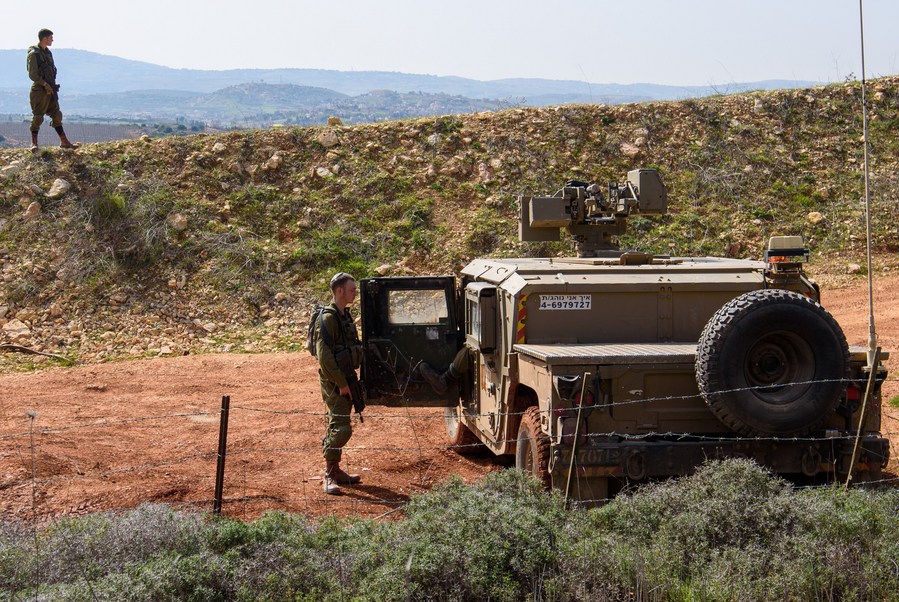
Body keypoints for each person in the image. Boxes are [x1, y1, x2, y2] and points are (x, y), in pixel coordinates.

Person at [316, 272, 363, 495]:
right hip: (334, 381)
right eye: (352, 289)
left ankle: (336, 470)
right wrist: (342, 383)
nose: (355, 292)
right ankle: (328, 474)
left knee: (341, 422)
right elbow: (324, 357)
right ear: (339, 291)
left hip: (346, 376)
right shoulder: (328, 318)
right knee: (341, 428)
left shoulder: (344, 316)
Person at [27, 28, 77, 151]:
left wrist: (51, 86)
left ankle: (64, 141)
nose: (52, 40)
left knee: (57, 114)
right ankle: (34, 144)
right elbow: (32, 75)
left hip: (50, 89)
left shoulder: (48, 53)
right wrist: (44, 84)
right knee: (38, 117)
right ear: (45, 38)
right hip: (39, 90)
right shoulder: (34, 54)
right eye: (51, 37)